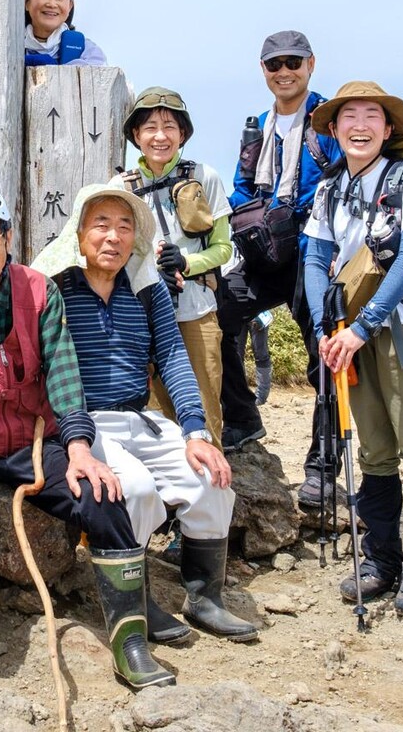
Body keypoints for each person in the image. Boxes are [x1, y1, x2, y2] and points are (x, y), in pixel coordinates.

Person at [0, 180, 173, 691]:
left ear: (7, 237)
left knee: (100, 492)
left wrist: (79, 449)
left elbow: (62, 372)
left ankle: (129, 639)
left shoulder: (39, 288)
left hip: (34, 443)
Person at [34, 184, 257, 644]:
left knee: (210, 480)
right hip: (83, 423)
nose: (113, 237)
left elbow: (173, 354)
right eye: (101, 225)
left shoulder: (146, 287)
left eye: (124, 226)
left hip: (142, 417)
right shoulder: (53, 288)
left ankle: (205, 597)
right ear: (78, 235)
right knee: (130, 488)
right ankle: (134, 601)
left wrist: (196, 429)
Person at [301, 81, 403, 619]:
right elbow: (316, 259)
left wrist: (359, 327)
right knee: (374, 452)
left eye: (371, 116)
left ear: (388, 130)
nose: (359, 125)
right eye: (348, 116)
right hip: (349, 335)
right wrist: (325, 323)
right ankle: (382, 560)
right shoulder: (329, 188)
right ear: (335, 128)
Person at [218, 30, 345, 514]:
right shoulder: (258, 127)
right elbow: (239, 186)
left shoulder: (328, 121)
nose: (284, 71)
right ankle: (242, 416)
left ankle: (323, 467)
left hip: (313, 251)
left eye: (293, 62)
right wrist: (253, 219)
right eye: (274, 64)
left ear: (311, 64)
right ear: (263, 70)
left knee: (323, 355)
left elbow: (340, 180)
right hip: (264, 252)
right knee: (219, 315)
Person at [110, 87, 232, 441]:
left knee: (205, 414)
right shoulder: (121, 187)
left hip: (195, 311)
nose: (159, 136)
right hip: (140, 314)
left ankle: (210, 491)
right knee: (151, 418)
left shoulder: (204, 177)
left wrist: (187, 262)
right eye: (149, 127)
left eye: (169, 126)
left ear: (183, 134)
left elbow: (223, 248)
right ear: (136, 135)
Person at [22, 0, 107, 66]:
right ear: (26, 1)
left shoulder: (87, 51)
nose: (52, 4)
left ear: (70, 5)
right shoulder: (8, 47)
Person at [248, 311, 274, 405]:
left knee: (261, 354)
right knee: (236, 354)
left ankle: (262, 395)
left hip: (259, 313)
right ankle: (239, 393)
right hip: (237, 311)